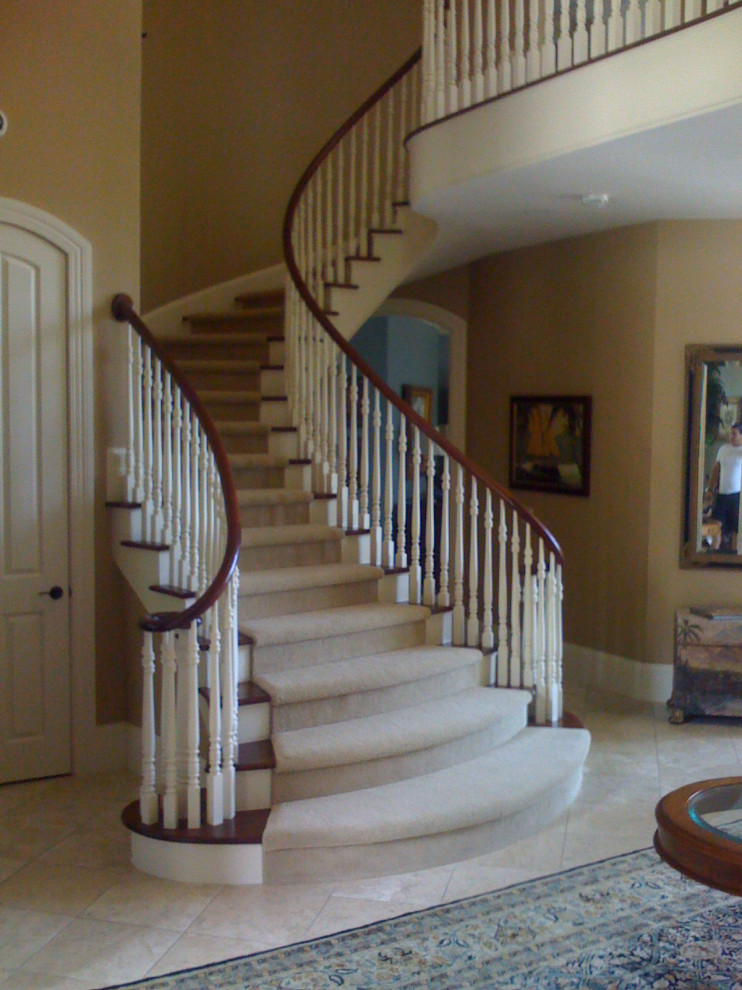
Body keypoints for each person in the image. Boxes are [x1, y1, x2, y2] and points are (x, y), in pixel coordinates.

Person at [706, 422, 742, 551]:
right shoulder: (723, 449)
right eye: (730, 433)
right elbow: (716, 470)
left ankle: (733, 561)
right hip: (722, 494)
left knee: (735, 532)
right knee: (716, 528)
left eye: (734, 434)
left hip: (737, 496)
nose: (731, 436)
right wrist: (710, 489)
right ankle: (712, 555)